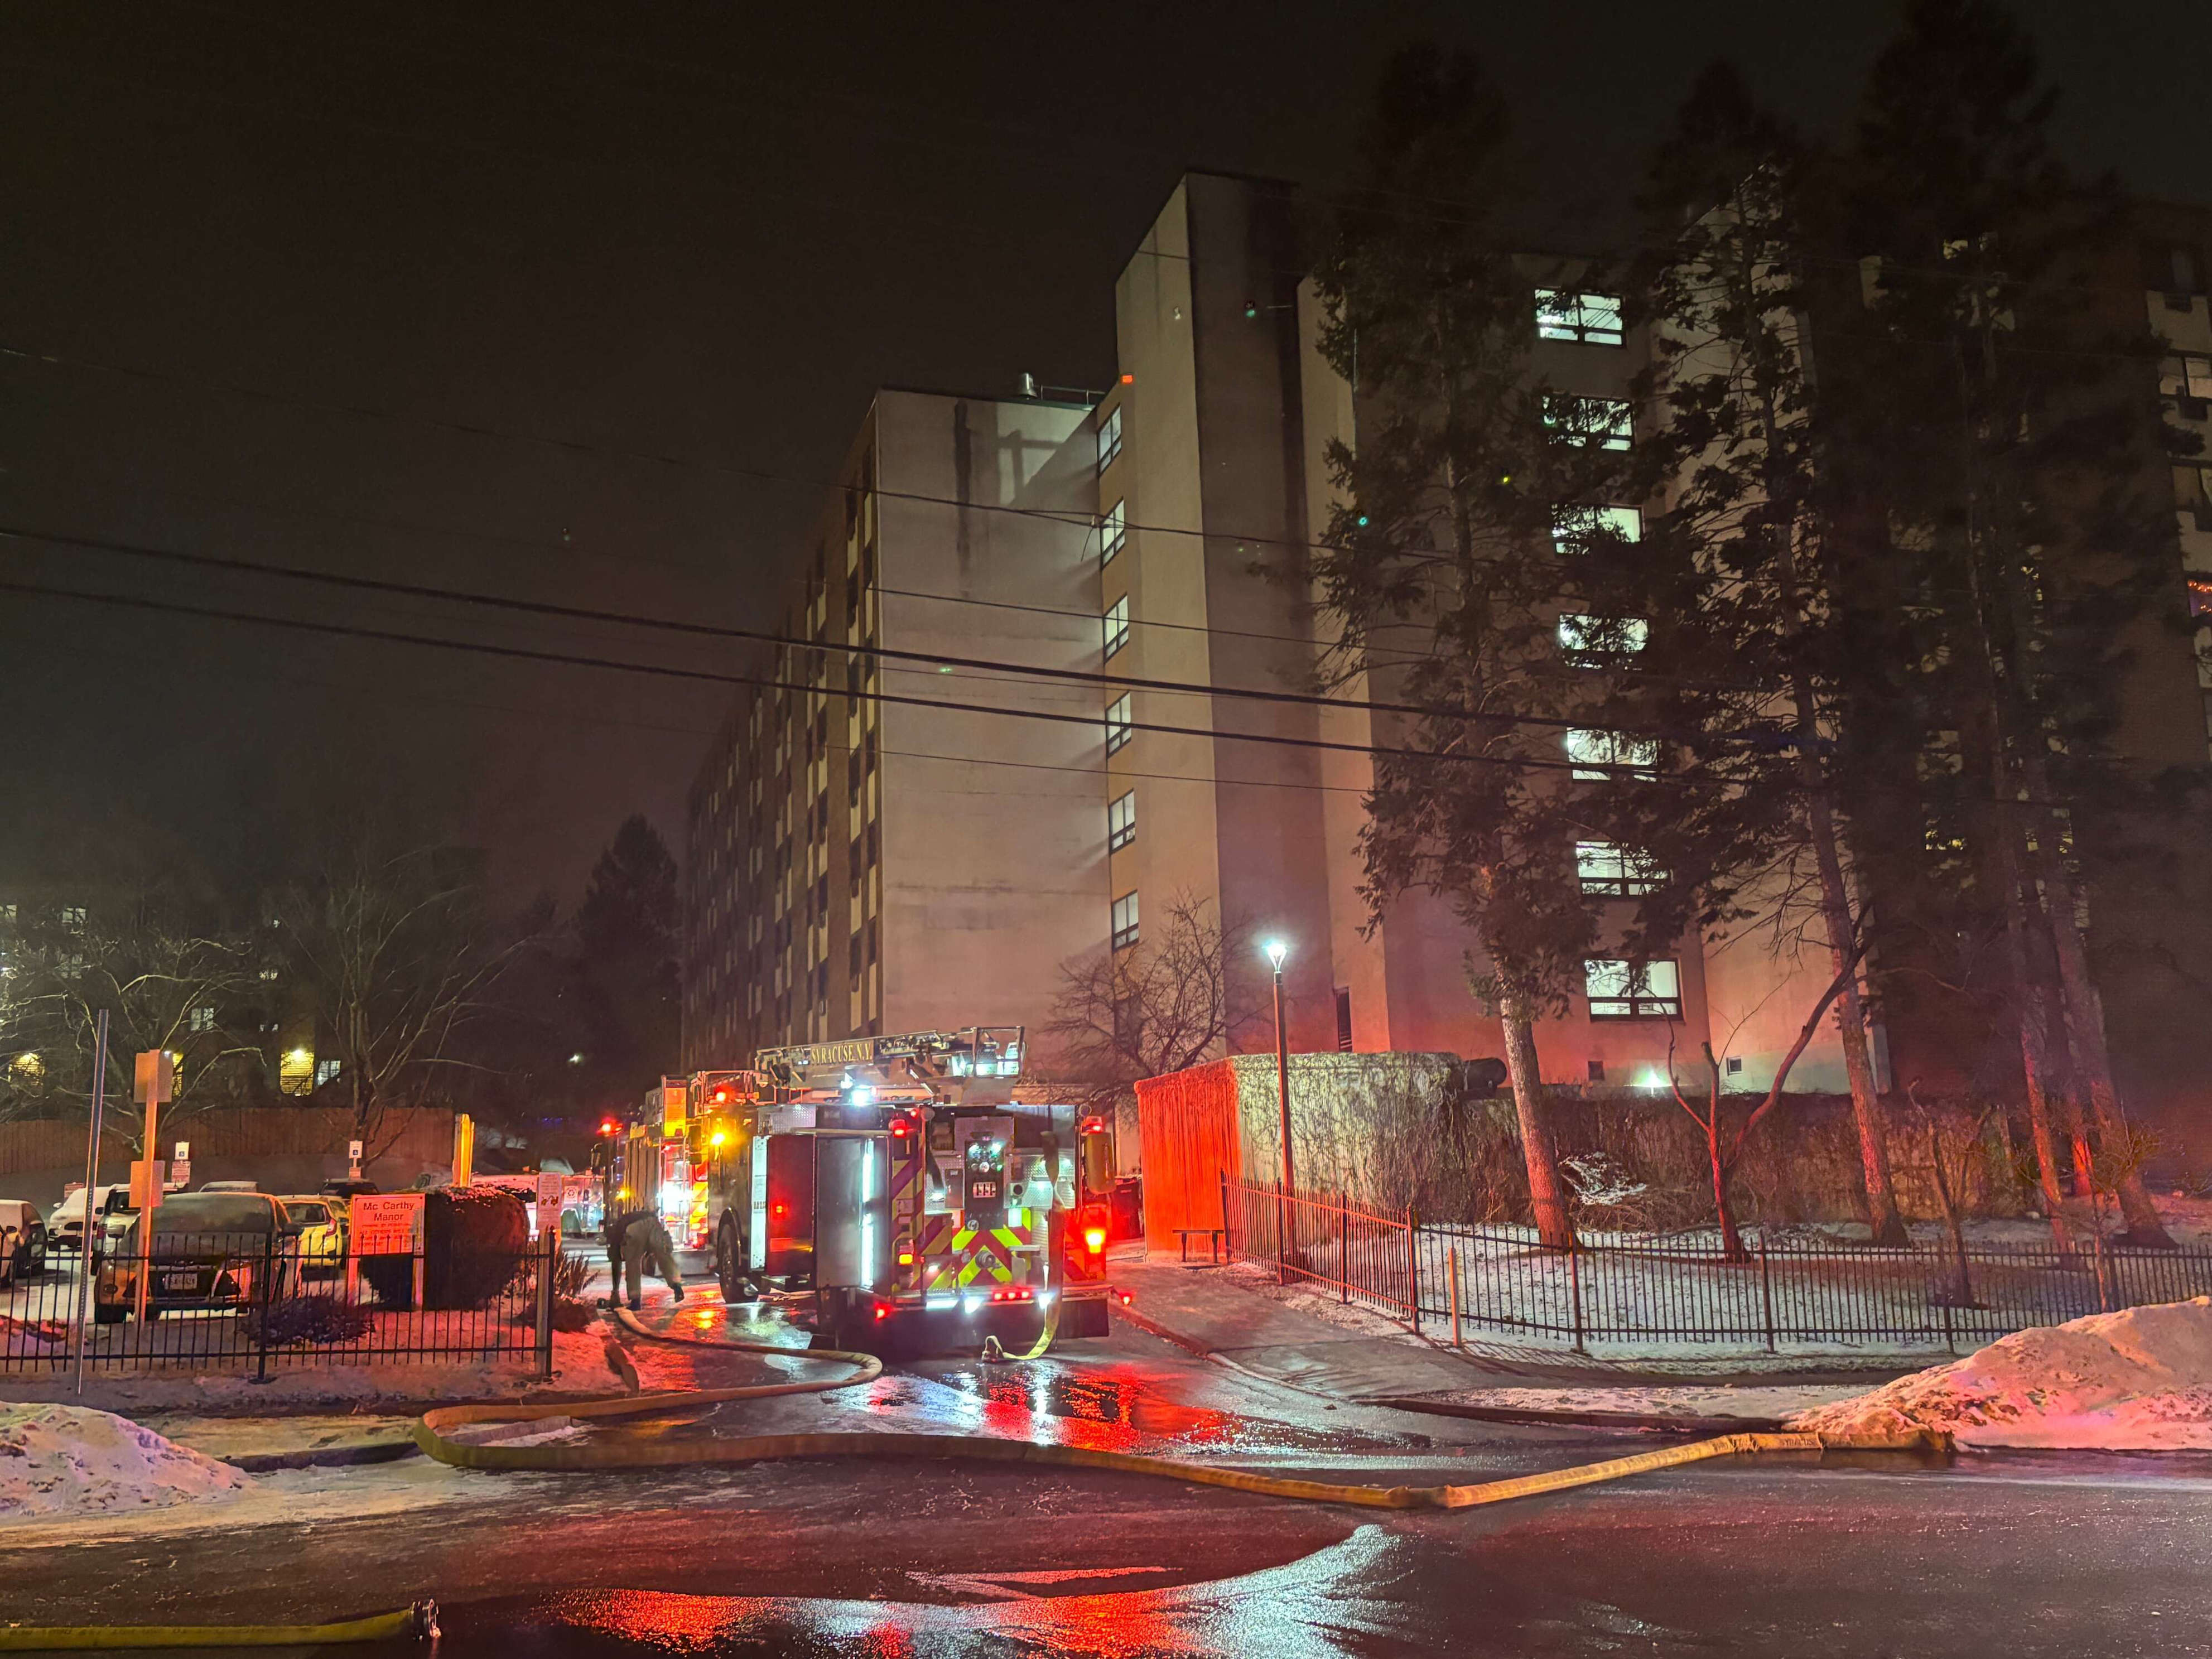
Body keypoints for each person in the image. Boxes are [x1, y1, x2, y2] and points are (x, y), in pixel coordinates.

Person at [605, 1207, 685, 1313]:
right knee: (664, 1256)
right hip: (653, 1222)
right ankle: (677, 1286)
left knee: (633, 1263)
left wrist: (615, 1291)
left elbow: (616, 1266)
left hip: (634, 1229)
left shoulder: (616, 1238)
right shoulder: (622, 1222)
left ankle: (635, 1301)